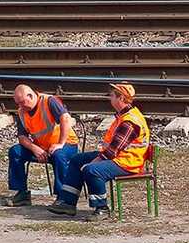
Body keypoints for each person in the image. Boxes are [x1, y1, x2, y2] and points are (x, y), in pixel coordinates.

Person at [48, 82, 149, 217]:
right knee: (77, 160)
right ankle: (68, 202)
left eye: (112, 96)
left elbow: (111, 151)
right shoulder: (124, 116)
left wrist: (92, 163)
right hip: (121, 158)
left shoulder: (130, 122)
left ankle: (101, 208)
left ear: (121, 98)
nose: (110, 98)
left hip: (128, 163)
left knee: (92, 170)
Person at [8, 84, 79, 206]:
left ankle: (63, 197)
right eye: (18, 103)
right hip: (42, 147)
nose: (20, 106)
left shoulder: (49, 101)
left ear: (30, 96)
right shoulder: (21, 112)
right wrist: (35, 148)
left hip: (66, 144)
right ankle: (22, 193)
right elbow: (22, 137)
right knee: (15, 152)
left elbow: (65, 119)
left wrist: (60, 143)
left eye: (22, 102)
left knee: (59, 155)